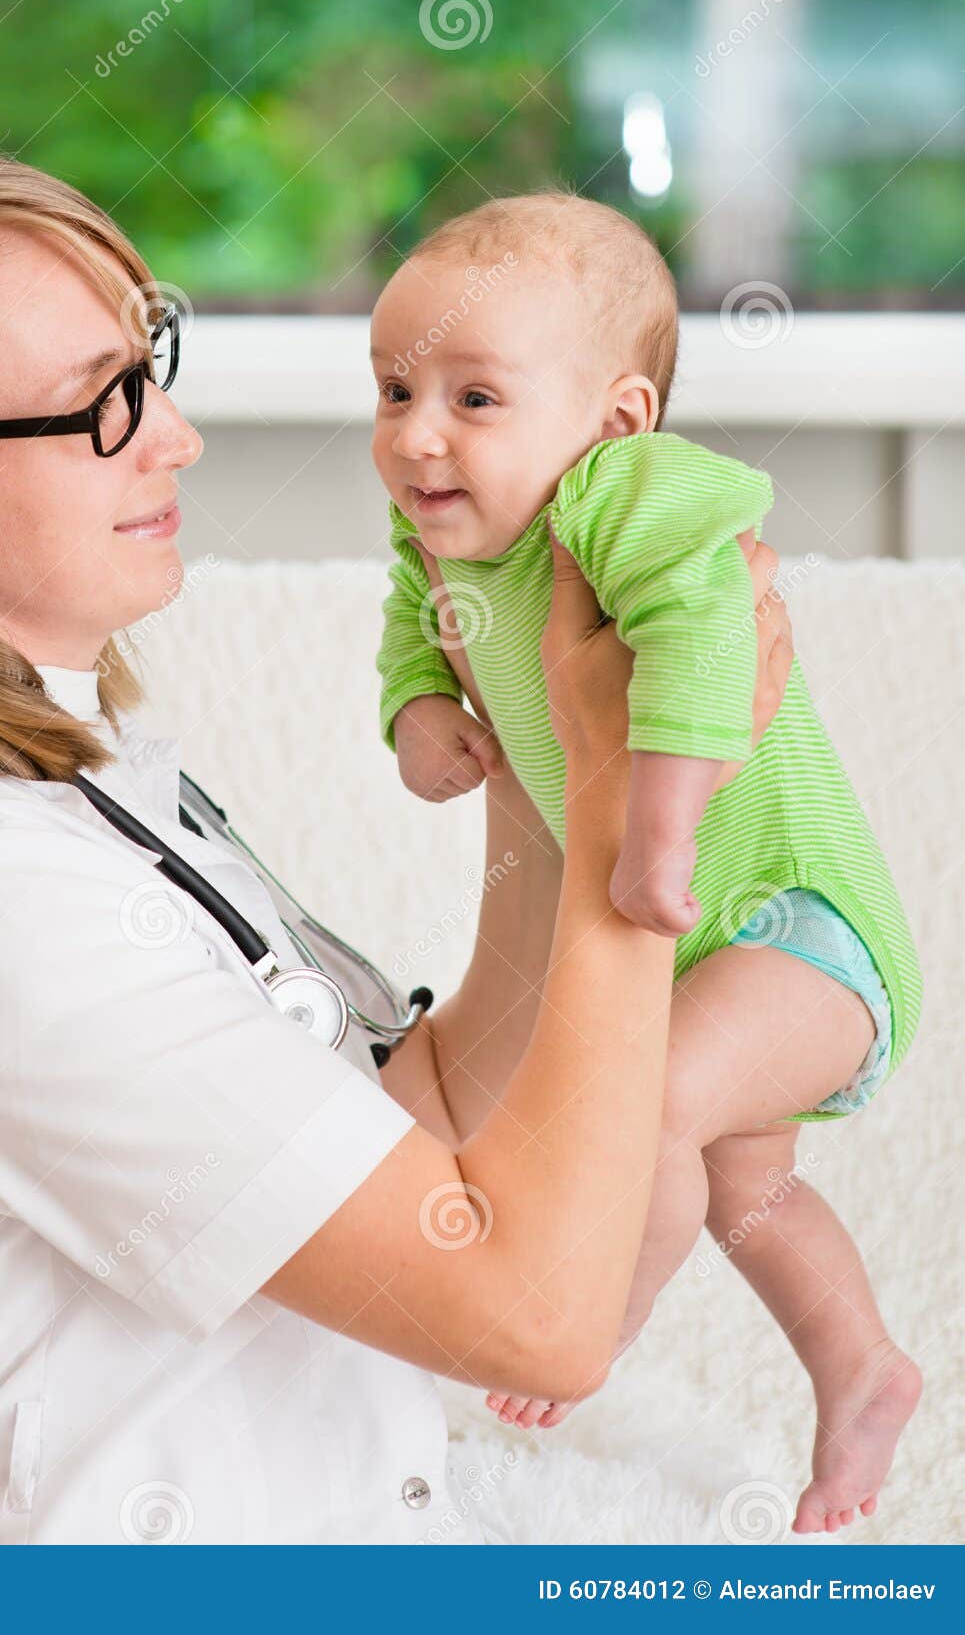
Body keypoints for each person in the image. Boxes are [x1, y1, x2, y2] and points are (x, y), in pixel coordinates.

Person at [0, 149, 790, 1545]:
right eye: (101, 400)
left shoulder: (104, 782)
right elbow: (535, 1317)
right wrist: (637, 844)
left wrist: (543, 747)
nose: (174, 435)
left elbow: (417, 1120)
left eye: (154, 360)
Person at [371, 190, 922, 1534]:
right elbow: (413, 624)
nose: (415, 434)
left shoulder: (632, 495)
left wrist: (657, 823)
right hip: (701, 946)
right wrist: (418, 715)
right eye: (392, 387)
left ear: (611, 418)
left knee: (647, 1108)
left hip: (800, 928)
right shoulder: (439, 525)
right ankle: (860, 1367)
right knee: (751, 1189)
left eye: (473, 397)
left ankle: (587, 1316)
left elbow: (704, 636)